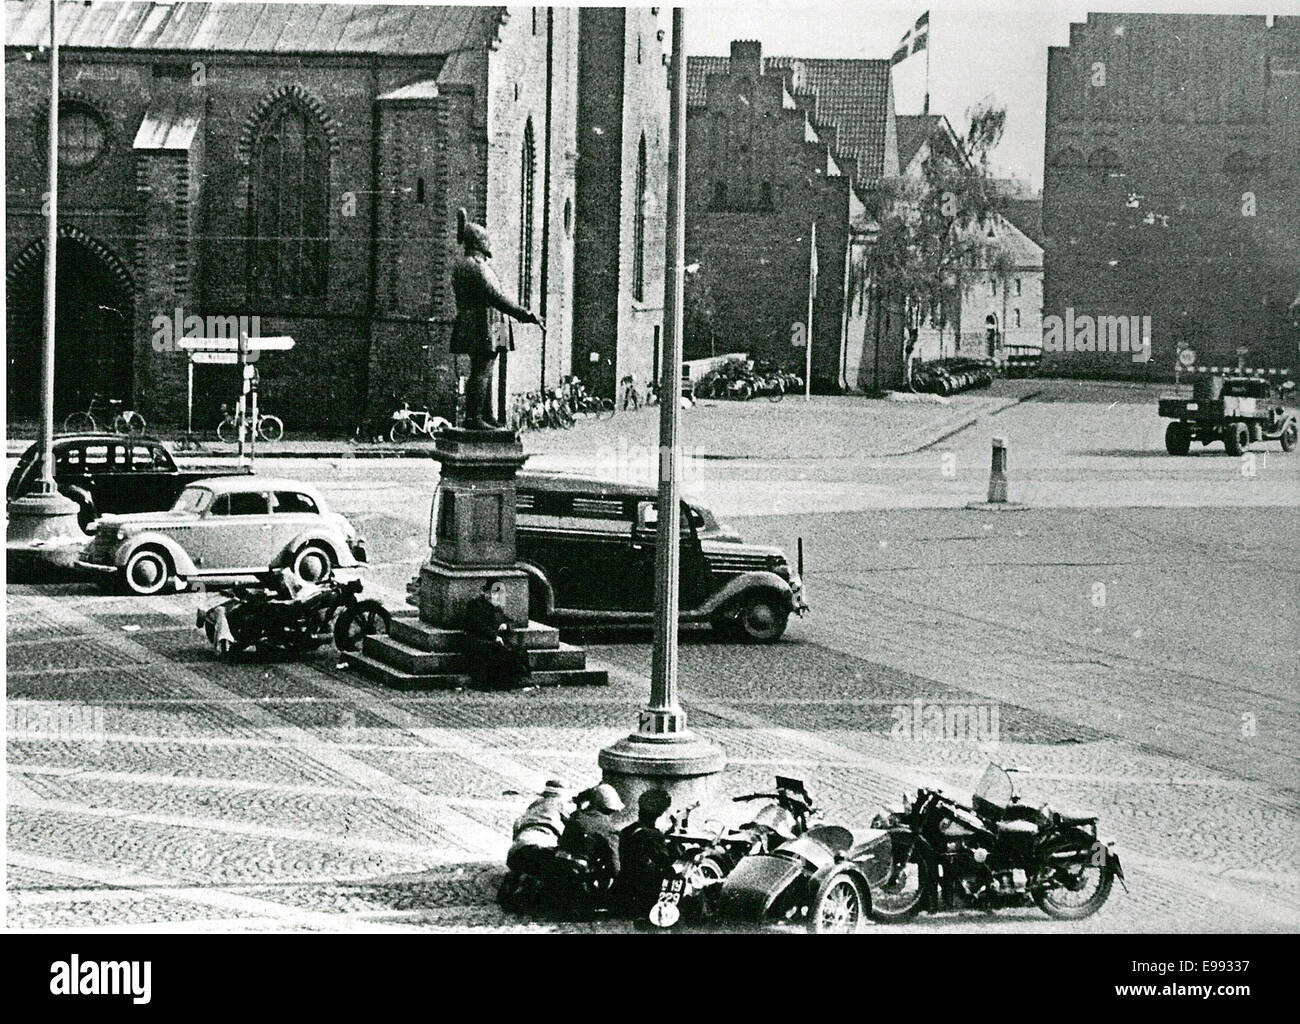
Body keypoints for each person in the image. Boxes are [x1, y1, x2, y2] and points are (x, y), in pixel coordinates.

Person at [449, 208, 543, 430]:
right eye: (486, 240)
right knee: (482, 369)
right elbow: (496, 297)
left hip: (494, 323)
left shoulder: (469, 265)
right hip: (484, 324)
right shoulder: (476, 267)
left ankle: (486, 414)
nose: (489, 244)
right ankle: (474, 418)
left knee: (488, 367)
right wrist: (525, 314)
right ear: (478, 242)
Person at [551, 783, 624, 918]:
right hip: (578, 872)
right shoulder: (609, 829)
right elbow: (615, 868)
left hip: (556, 866)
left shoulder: (576, 816)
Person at [499, 779, 574, 911]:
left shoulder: (534, 805)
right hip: (541, 847)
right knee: (555, 874)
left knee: (526, 864)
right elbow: (576, 827)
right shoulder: (562, 806)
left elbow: (517, 826)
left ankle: (518, 877)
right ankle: (530, 887)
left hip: (517, 848)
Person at [612, 788, 674, 916]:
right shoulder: (653, 836)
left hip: (622, 892)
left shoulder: (627, 830)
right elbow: (666, 864)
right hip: (643, 898)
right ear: (660, 815)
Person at [461, 579, 531, 690]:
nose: (497, 597)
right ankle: (495, 682)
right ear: (486, 593)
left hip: (495, 639)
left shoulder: (497, 608)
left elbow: (511, 621)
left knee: (517, 649)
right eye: (494, 593)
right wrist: (494, 636)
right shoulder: (475, 605)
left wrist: (506, 626)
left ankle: (519, 679)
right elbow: (477, 625)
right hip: (478, 639)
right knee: (495, 648)